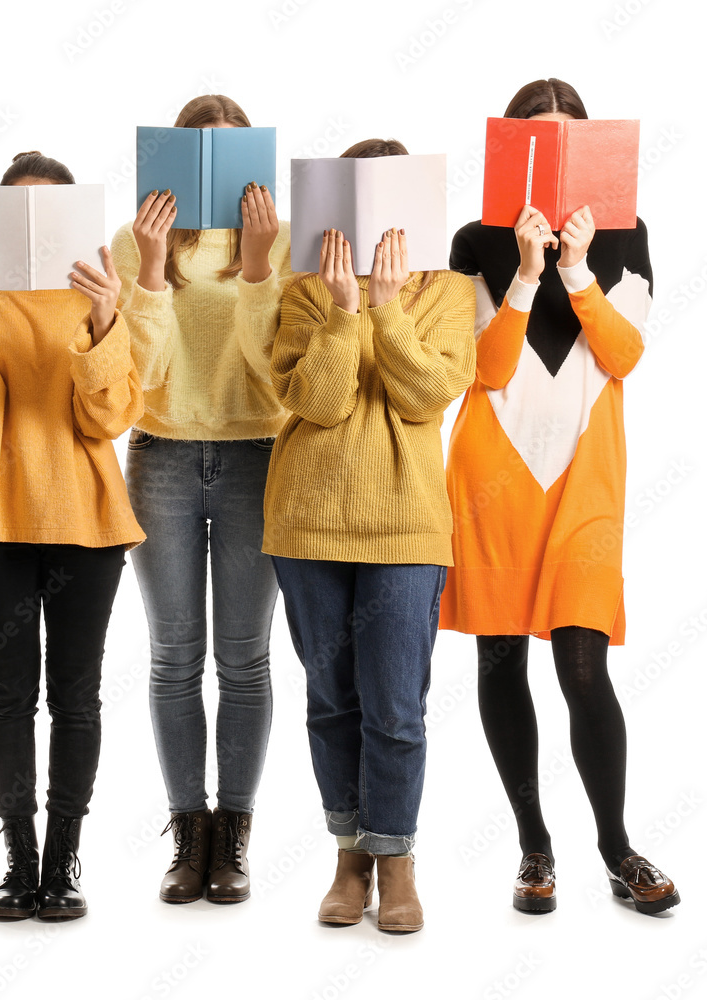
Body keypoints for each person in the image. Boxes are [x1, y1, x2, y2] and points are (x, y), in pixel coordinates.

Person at [440, 78, 679, 916]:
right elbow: (485, 368)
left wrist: (576, 270)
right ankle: (534, 847)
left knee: (583, 665)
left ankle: (616, 847)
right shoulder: (473, 241)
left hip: (585, 475)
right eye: (535, 138)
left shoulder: (628, 234)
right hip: (493, 472)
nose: (553, 152)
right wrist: (526, 273)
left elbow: (623, 354)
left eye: (568, 136)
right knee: (500, 657)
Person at [263, 138, 476, 932]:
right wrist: (347, 306)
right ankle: (349, 857)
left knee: (396, 705)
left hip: (406, 525)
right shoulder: (306, 288)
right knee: (332, 700)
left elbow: (425, 395)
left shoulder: (452, 291)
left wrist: (386, 308)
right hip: (308, 520)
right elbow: (316, 401)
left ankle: (397, 859)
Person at [0, 151, 144, 920]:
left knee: (76, 698)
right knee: (7, 697)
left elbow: (110, 417)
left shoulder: (98, 290)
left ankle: (63, 861)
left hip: (86, 520)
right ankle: (19, 860)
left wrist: (106, 319)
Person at [111, 95, 290, 904]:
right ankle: (189, 833)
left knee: (245, 657)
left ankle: (236, 832)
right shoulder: (130, 242)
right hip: (162, 456)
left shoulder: (281, 241)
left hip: (259, 454)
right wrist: (150, 271)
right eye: (198, 153)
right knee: (174, 655)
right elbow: (136, 378)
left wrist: (257, 267)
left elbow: (277, 362)